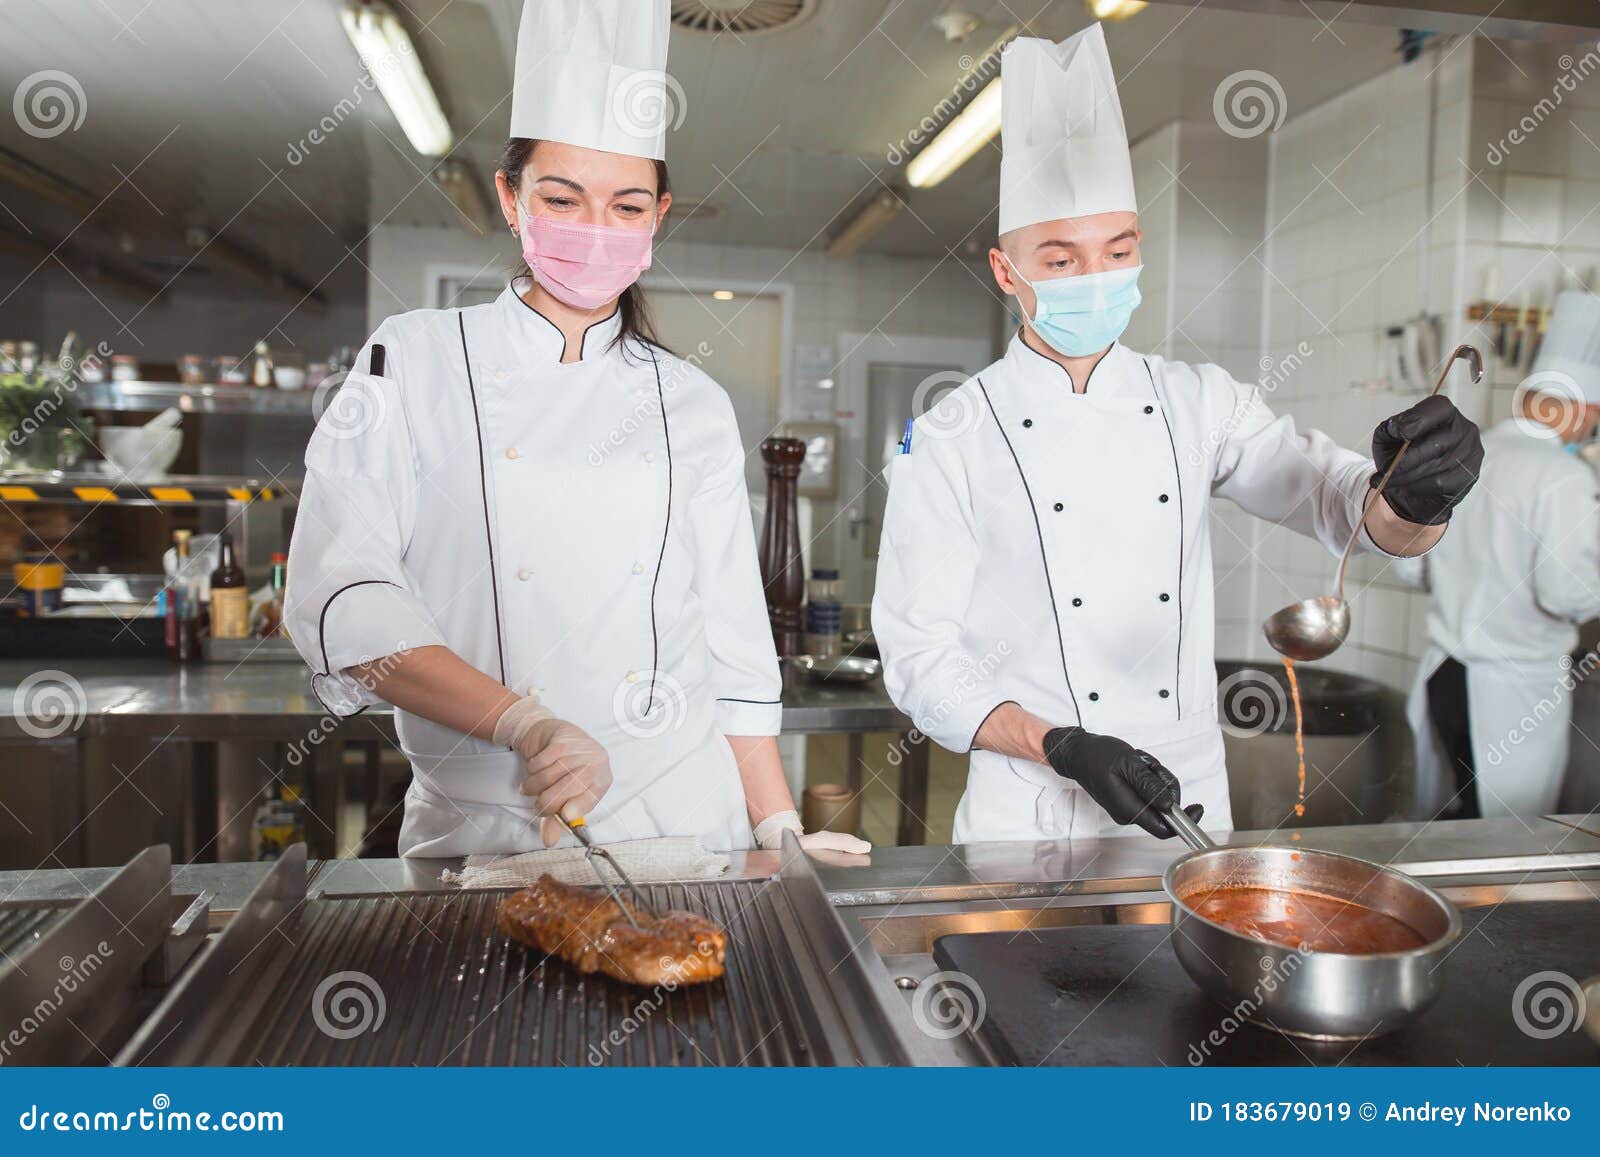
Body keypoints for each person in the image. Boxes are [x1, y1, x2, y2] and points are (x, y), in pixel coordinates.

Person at [872, 23, 1483, 844]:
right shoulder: (943, 435)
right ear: (1005, 272)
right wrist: (1059, 742)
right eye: (1060, 260)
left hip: (1186, 804)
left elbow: (1345, 510)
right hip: (1031, 817)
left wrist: (1415, 493)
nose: (1096, 277)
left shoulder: (1200, 402)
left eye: (1117, 250)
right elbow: (918, 660)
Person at [286, 0, 867, 859]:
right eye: (562, 198)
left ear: (658, 217)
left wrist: (777, 830)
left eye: (627, 207)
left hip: (684, 826)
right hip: (485, 834)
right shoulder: (413, 362)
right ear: (510, 199)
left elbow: (735, 652)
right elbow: (341, 606)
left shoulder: (693, 401)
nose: (595, 231)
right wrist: (526, 721)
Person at [1406, 291, 1600, 819]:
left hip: (1444, 676)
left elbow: (1409, 561)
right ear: (1579, 407)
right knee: (1504, 845)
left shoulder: (1470, 453)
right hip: (1509, 696)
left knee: (1450, 830)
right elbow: (1566, 591)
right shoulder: (1562, 476)